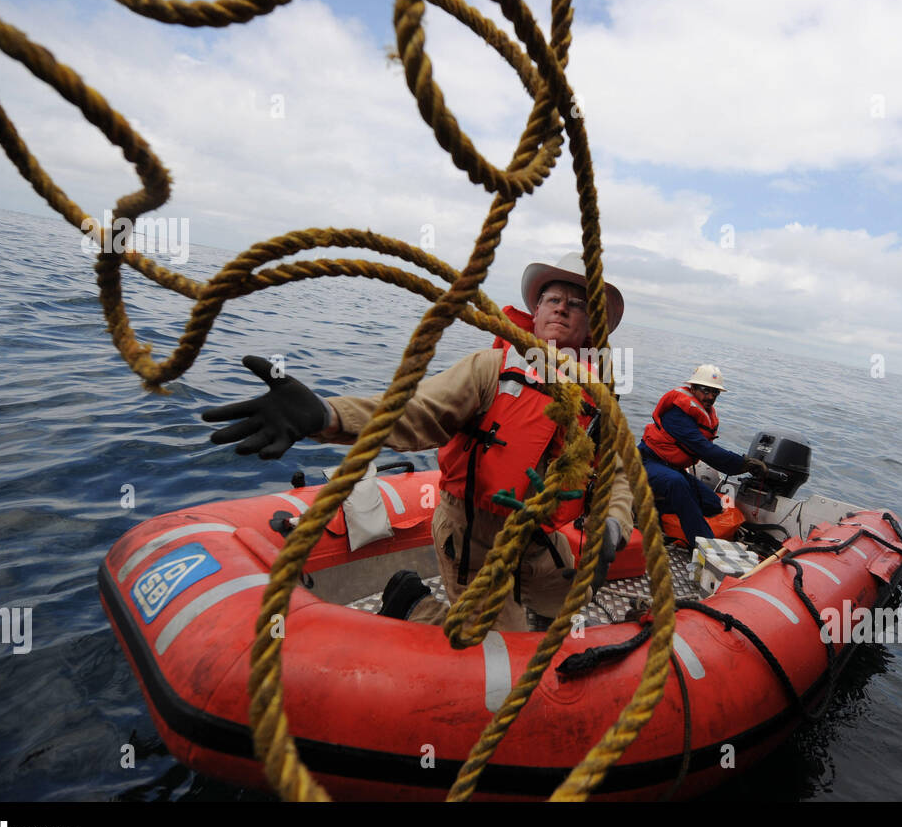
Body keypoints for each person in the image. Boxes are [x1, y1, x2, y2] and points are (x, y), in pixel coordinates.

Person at [202, 253, 633, 631]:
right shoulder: (491, 369)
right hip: (473, 538)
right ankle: (410, 601)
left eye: (577, 304)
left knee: (576, 607)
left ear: (593, 326)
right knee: (498, 654)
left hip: (538, 542)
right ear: (535, 311)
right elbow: (416, 411)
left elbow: (614, 476)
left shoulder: (597, 399)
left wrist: (614, 523)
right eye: (553, 300)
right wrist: (328, 415)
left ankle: (535, 607)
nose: (562, 309)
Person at [638, 364, 767, 547]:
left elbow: (704, 449)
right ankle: (705, 548)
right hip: (647, 463)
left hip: (672, 469)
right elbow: (704, 449)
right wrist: (744, 464)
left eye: (715, 393)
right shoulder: (677, 414)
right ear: (693, 388)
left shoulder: (700, 413)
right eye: (706, 390)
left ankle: (652, 508)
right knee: (677, 483)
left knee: (713, 504)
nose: (711, 397)